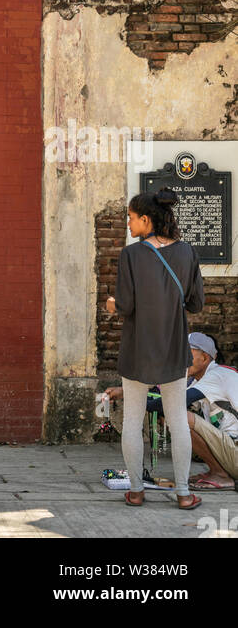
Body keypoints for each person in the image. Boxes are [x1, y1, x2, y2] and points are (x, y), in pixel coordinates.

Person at [105, 188, 203, 509]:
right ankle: (185, 494)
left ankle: (135, 491)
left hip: (137, 350)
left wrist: (111, 304)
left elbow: (125, 305)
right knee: (177, 421)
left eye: (132, 218)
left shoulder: (131, 255)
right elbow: (196, 303)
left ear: (146, 219)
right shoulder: (188, 252)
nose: (129, 224)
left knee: (132, 421)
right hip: (174, 349)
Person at [186, 332, 238, 490]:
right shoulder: (197, 380)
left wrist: (130, 394)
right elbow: (161, 397)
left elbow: (172, 402)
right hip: (231, 451)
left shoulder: (217, 375)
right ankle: (217, 471)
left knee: (179, 416)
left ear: (204, 358)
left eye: (187, 355)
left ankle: (220, 475)